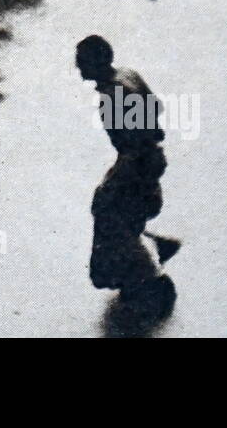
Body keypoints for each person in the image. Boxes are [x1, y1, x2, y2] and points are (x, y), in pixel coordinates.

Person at [75, 35, 180, 311]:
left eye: (82, 60)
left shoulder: (112, 95)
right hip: (148, 158)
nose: (78, 67)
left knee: (109, 211)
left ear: (95, 62)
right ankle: (148, 257)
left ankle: (147, 279)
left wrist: (116, 181)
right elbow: (156, 106)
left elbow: (133, 143)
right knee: (124, 211)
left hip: (138, 162)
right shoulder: (127, 75)